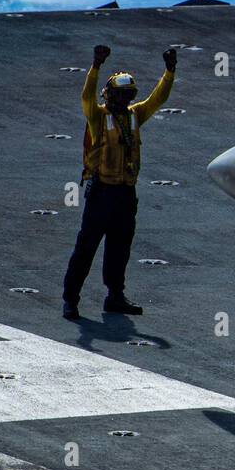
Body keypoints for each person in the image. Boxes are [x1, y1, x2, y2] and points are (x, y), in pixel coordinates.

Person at [61, 43, 178, 320]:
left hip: (126, 194)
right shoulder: (97, 117)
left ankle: (115, 296)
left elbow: (157, 100)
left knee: (120, 248)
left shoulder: (135, 116)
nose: (124, 99)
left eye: (128, 95)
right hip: (101, 192)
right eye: (120, 94)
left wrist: (170, 72)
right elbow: (86, 97)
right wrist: (96, 66)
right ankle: (70, 300)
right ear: (109, 94)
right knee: (86, 248)